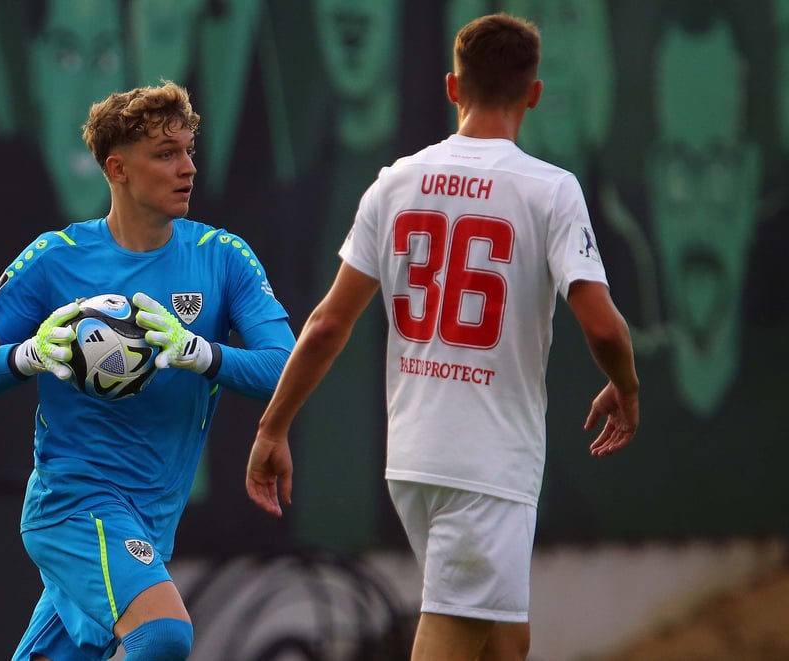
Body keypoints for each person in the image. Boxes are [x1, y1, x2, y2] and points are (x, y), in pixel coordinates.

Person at [245, 13, 639, 661]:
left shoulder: (395, 182)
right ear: (534, 94)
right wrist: (626, 384)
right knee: (455, 637)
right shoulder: (551, 189)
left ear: (453, 87)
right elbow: (601, 324)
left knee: (504, 641)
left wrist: (273, 426)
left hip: (413, 459)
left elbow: (326, 324)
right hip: (488, 465)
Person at [0, 80, 294, 660]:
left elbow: (284, 366)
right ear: (117, 168)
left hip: (151, 518)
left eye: (188, 151)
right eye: (166, 154)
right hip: (74, 504)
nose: (187, 168)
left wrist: (198, 352)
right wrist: (29, 356)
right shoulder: (55, 258)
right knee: (163, 634)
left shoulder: (222, 257)